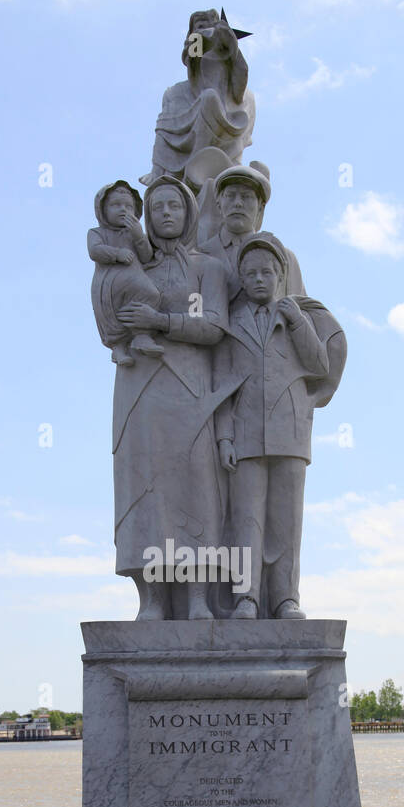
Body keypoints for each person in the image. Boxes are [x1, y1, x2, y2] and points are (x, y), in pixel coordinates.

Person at [112, 176, 238, 619]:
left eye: (174, 206)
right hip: (141, 391)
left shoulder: (208, 269)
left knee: (195, 490)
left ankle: (198, 597)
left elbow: (213, 326)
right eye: (158, 206)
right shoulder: (133, 266)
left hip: (191, 391)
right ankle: (153, 598)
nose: (166, 213)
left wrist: (160, 320)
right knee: (147, 492)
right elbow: (108, 310)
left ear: (187, 213)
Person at [213, 234, 346, 619]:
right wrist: (224, 437)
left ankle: (286, 598)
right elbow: (222, 388)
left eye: (267, 272)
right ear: (241, 277)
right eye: (251, 273)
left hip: (289, 433)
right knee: (246, 521)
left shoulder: (294, 317)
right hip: (245, 433)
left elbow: (320, 365)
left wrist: (298, 321)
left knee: (286, 522)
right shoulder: (230, 325)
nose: (259, 279)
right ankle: (246, 598)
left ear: (279, 275)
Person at [141, 10, 256, 186]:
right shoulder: (177, 90)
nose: (206, 29)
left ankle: (206, 167)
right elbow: (194, 68)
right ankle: (172, 170)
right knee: (200, 99)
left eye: (209, 24)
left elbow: (240, 76)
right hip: (195, 104)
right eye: (199, 26)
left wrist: (228, 42)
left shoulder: (243, 91)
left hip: (226, 113)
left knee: (211, 98)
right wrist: (201, 37)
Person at [201, 164, 304, 302]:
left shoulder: (286, 259)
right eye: (230, 195)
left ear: (260, 207)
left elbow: (301, 314)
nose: (237, 203)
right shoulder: (199, 255)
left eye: (246, 196)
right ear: (219, 203)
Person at [88, 181, 163, 366]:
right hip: (109, 282)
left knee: (151, 294)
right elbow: (94, 251)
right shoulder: (97, 233)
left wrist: (138, 236)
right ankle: (118, 348)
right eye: (116, 205)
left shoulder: (133, 233)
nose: (123, 210)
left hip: (135, 278)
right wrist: (117, 254)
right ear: (103, 210)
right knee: (112, 315)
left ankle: (141, 335)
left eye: (128, 206)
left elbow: (146, 256)